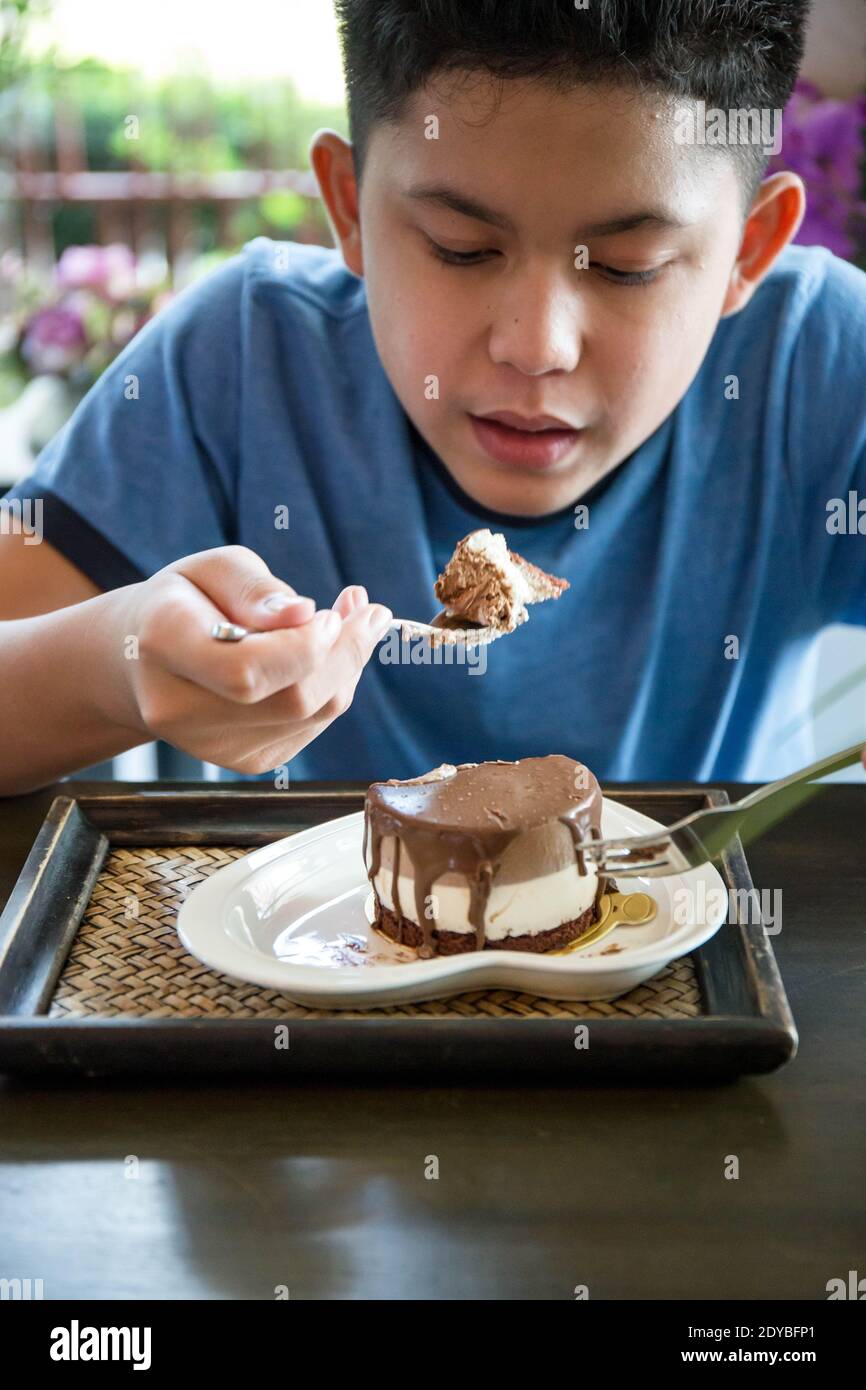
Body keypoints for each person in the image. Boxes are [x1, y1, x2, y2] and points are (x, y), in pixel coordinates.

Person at [1, 0, 864, 796]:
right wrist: (113, 668)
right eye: (460, 248)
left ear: (748, 253)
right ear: (348, 205)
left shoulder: (812, 365)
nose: (535, 347)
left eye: (624, 266)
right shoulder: (244, 353)